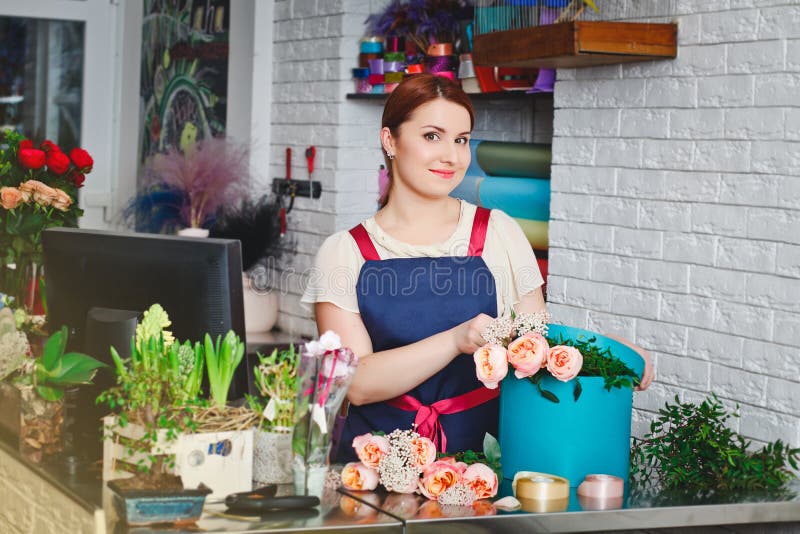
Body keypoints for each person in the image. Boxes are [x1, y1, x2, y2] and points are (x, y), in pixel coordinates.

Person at [301, 74, 653, 463]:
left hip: (484, 465)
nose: (451, 156)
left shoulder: (499, 232)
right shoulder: (344, 252)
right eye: (432, 136)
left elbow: (533, 346)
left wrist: (610, 355)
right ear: (390, 141)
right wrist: (456, 340)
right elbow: (357, 384)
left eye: (461, 139)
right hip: (374, 466)